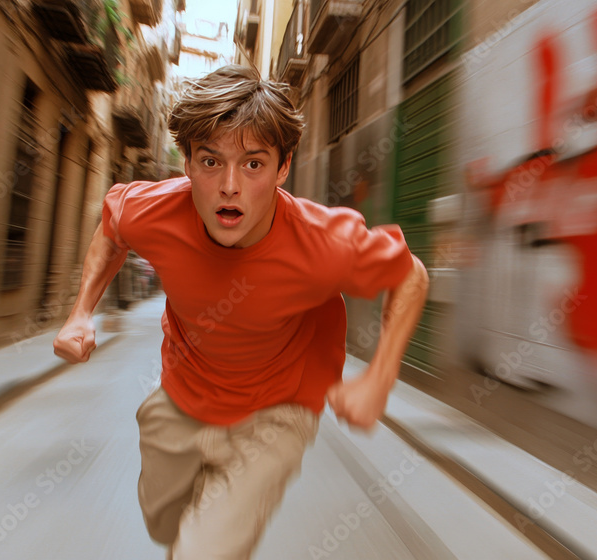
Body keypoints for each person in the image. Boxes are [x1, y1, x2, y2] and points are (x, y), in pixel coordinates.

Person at [53, 65, 429, 559]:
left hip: (277, 410)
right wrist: (80, 312)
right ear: (186, 162)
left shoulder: (323, 242)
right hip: (181, 395)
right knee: (162, 521)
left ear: (283, 167)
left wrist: (380, 378)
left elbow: (411, 277)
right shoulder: (155, 211)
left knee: (199, 552)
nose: (230, 185)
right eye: (211, 161)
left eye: (253, 164)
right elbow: (111, 228)